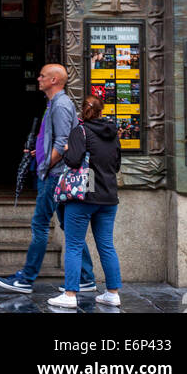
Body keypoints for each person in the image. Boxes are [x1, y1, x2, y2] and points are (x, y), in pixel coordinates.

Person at [0, 64, 96, 294]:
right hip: (54, 173)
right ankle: (86, 277)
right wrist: (38, 152)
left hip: (53, 176)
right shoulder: (54, 103)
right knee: (70, 228)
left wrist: (43, 165)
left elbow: (61, 144)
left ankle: (26, 279)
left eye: (42, 76)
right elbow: (53, 141)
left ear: (54, 81)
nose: (38, 78)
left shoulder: (60, 105)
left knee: (40, 224)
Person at [48, 93, 123, 309]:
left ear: (83, 111)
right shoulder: (113, 134)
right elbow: (116, 165)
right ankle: (112, 293)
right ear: (102, 111)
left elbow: (72, 161)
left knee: (73, 245)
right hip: (109, 197)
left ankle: (70, 295)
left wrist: (65, 150)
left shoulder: (80, 131)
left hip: (84, 195)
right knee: (107, 245)